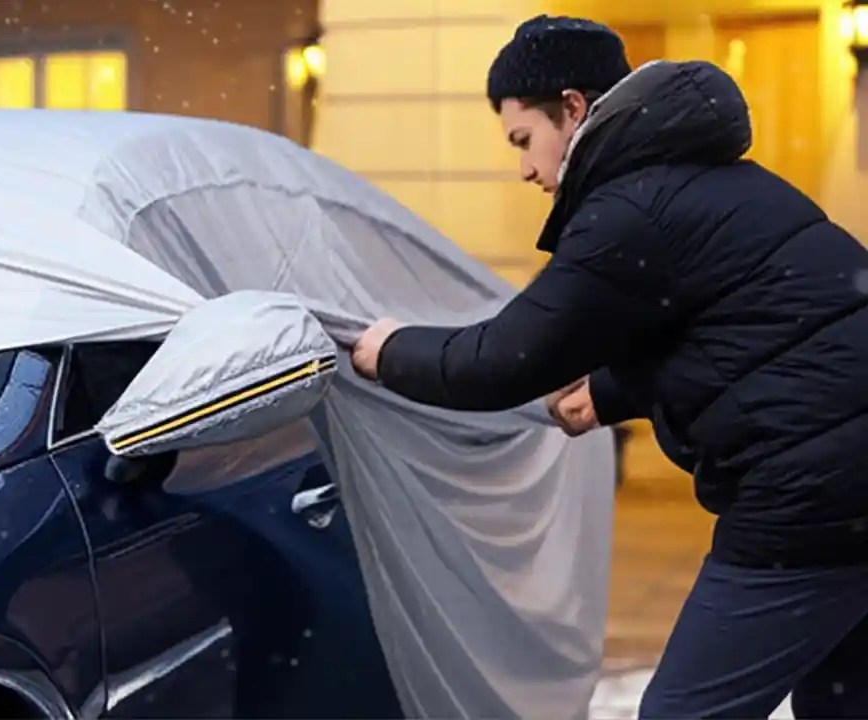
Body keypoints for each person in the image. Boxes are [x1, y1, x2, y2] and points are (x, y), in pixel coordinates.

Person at [351, 14, 868, 719]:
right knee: (842, 698)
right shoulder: (710, 183)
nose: (526, 169)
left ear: (571, 108)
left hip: (814, 491)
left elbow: (503, 361)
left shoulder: (630, 210)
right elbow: (743, 337)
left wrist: (388, 351)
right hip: (847, 477)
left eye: (523, 141)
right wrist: (608, 390)